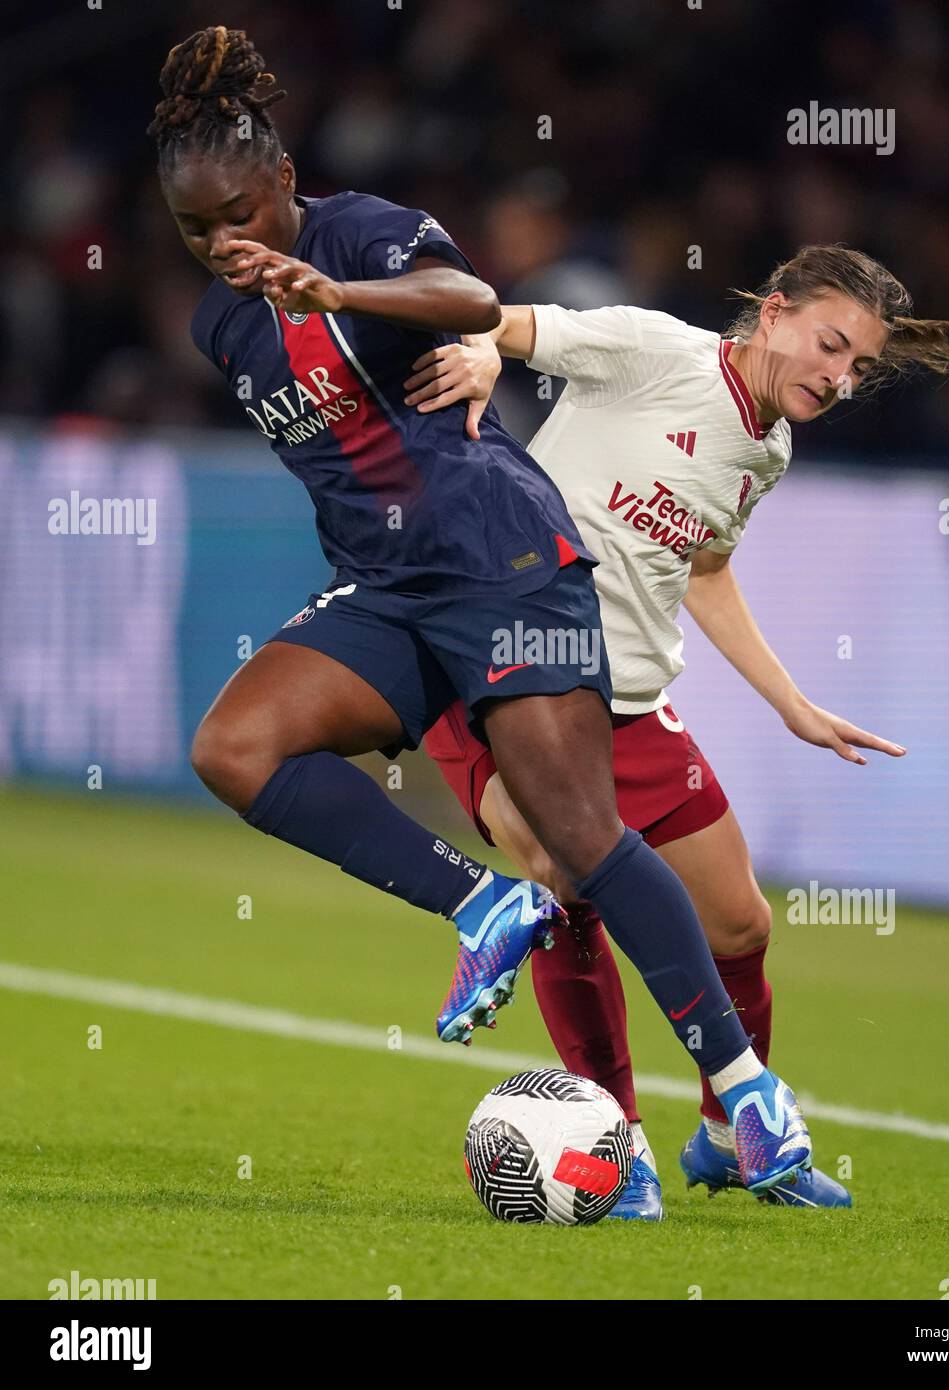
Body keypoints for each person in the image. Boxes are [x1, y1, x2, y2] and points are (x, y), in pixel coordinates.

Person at [148, 24, 815, 1196]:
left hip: (503, 553)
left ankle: (750, 1096)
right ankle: (482, 904)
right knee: (235, 746)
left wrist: (348, 291)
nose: (222, 242)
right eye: (196, 227)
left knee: (585, 838)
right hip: (389, 587)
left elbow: (468, 296)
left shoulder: (357, 233)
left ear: (285, 185)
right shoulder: (221, 326)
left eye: (240, 214)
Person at [406, 246, 949, 1216]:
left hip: (627, 701)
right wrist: (488, 353)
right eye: (830, 344)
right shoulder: (653, 351)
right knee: (562, 878)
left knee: (741, 923)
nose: (839, 376)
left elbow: (705, 568)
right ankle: (615, 1141)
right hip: (500, 671)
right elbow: (499, 319)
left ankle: (724, 1133)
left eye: (857, 365)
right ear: (775, 311)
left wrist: (789, 700)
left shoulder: (768, 448)